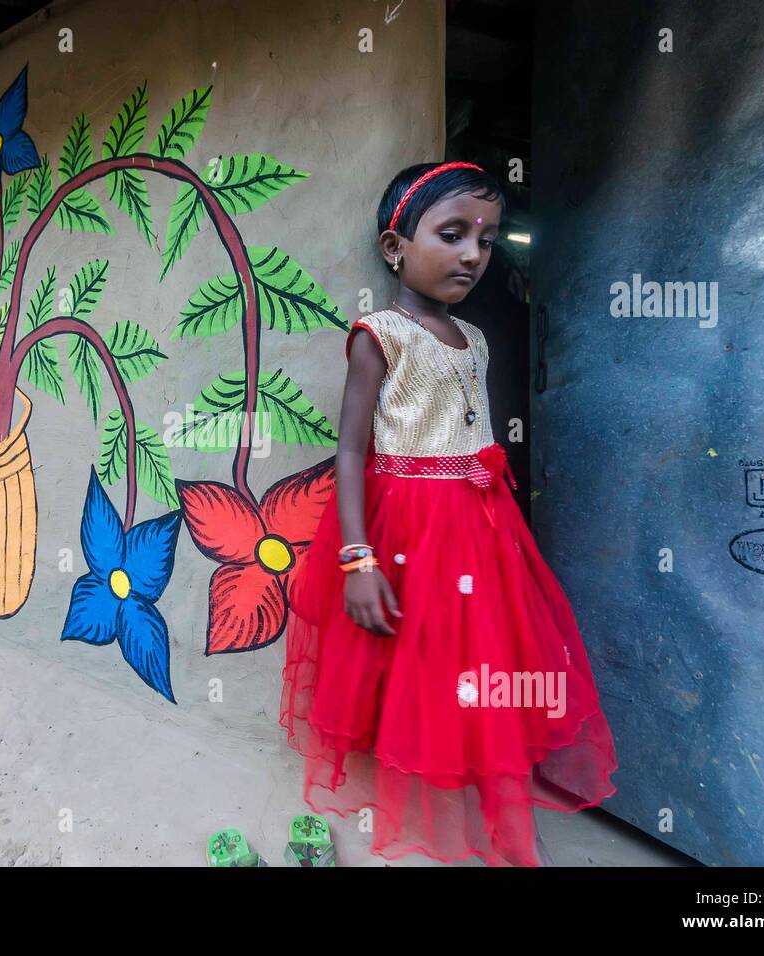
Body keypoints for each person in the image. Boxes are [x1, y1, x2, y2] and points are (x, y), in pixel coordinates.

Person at [280, 161, 618, 867]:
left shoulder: (478, 337)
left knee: (488, 655)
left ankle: (499, 804)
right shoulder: (379, 334)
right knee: (419, 655)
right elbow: (349, 450)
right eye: (453, 233)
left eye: (488, 240)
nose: (472, 254)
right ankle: (431, 791)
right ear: (395, 247)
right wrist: (358, 557)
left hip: (481, 523)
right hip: (410, 524)